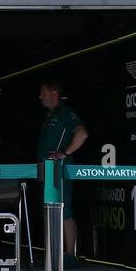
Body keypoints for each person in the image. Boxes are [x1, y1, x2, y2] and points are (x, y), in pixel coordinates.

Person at [36, 79, 88, 258]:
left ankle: (70, 254)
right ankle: (55, 253)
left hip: (60, 168)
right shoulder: (50, 115)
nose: (40, 96)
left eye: (43, 92)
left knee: (64, 210)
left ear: (54, 94)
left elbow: (82, 133)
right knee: (49, 208)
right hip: (47, 168)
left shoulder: (65, 113)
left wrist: (65, 153)